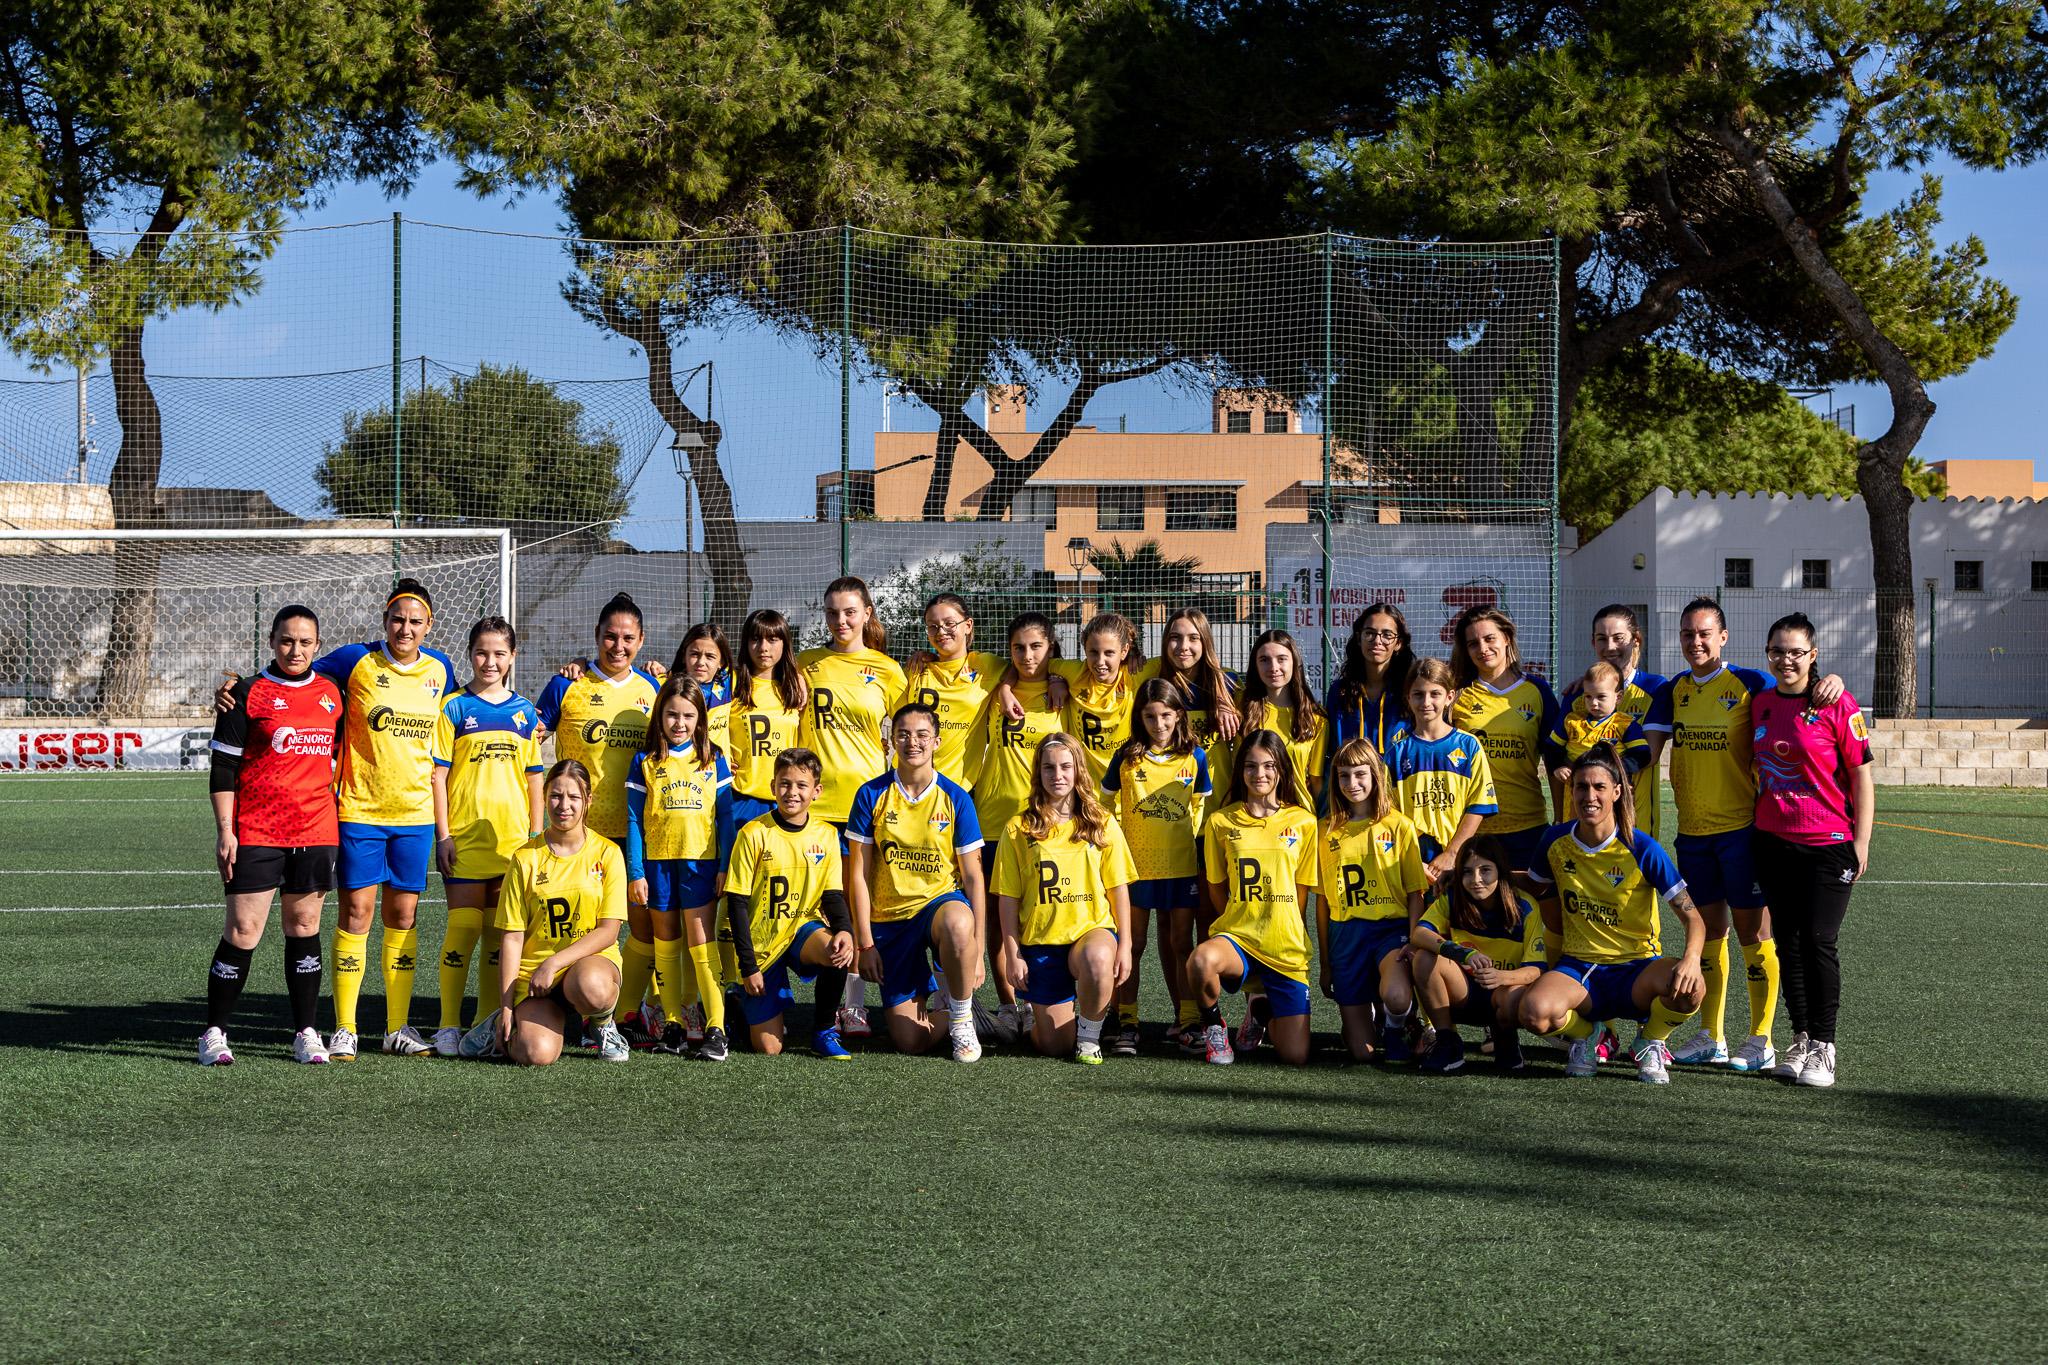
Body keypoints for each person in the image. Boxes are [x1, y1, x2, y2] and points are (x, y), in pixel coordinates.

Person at [215, 578, 460, 1059]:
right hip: (357, 810)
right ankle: (344, 1026)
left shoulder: (442, 670)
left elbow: (466, 704)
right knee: (357, 912)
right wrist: (235, 687)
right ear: (384, 621)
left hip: (416, 814)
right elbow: (291, 672)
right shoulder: (354, 660)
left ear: (429, 626)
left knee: (404, 916)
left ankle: (397, 1027)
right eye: (397, 619)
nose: (405, 629)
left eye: (415, 622)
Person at [199, 605, 344, 1066]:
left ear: (318, 645)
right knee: (243, 931)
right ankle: (214, 1033)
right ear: (272, 642)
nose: (295, 649)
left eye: (305, 642)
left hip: (317, 829)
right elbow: (223, 769)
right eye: (286, 640)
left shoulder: (333, 694)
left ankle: (305, 1031)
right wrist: (226, 832)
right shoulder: (245, 693)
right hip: (257, 830)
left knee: (303, 929)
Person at [1645, 597, 1781, 1073]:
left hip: (1743, 831)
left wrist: (1831, 680)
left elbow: (1796, 692)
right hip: (1694, 833)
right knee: (1709, 936)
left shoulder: (1749, 683)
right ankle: (1712, 1036)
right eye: (1687, 634)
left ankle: (1761, 1038)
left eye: (1704, 633)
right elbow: (1646, 750)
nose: (1695, 641)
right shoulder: (1674, 690)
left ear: (1723, 637)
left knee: (1753, 933)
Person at [1519, 744, 1708, 1084]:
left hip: (1637, 969)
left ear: (1617, 792)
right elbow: (1534, 887)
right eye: (1581, 786)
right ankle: (1587, 1035)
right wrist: (1474, 871)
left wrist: (1692, 959)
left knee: (1691, 988)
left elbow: (1693, 917)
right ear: (1570, 790)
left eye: (1599, 787)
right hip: (1580, 968)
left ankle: (1650, 1041)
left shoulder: (1642, 847)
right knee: (1534, 1012)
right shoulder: (1554, 841)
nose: (1589, 796)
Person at [1750, 612, 1874, 1089]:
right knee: (1788, 943)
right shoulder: (1759, 703)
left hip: (1829, 845)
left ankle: (1825, 1047)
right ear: (1768, 654)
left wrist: (1860, 841)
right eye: (1778, 650)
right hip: (1772, 841)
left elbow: (1862, 775)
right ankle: (1799, 1040)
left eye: (1796, 651)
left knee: (1820, 940)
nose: (1786, 659)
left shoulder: (1838, 703)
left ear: (1813, 655)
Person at [534, 593, 662, 1045]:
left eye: (628, 638)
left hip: (634, 831)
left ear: (642, 641)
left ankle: (620, 1013)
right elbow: (530, 737)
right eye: (610, 636)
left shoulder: (653, 690)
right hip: (575, 835)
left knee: (641, 925)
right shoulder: (567, 684)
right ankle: (577, 1007)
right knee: (578, 926)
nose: (618, 645)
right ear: (596, 637)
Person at [844, 703, 987, 1062]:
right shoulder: (870, 795)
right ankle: (950, 996)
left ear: (937, 741)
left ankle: (961, 1019)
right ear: (891, 741)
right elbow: (858, 876)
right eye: (903, 734)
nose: (913, 742)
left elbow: (973, 877)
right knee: (910, 1041)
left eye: (922, 734)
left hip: (938, 905)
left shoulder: (956, 798)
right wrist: (865, 944)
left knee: (958, 923)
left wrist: (978, 948)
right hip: (890, 921)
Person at [429, 617, 545, 1057]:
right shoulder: (454, 708)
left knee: (500, 941)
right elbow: (438, 778)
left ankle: (485, 1023)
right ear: (470, 655)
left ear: (512, 657)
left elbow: (535, 780)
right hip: (464, 840)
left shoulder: (524, 712)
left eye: (499, 654)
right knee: (461, 931)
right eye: (482, 652)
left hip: (512, 845)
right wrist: (444, 835)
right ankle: (446, 1025)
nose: (490, 661)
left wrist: (534, 836)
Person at [799, 576, 909, 1038]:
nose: (840, 621)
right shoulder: (804, 663)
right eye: (831, 613)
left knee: (865, 903)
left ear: (867, 613)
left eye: (849, 612)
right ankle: (819, 1001)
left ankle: (857, 1003)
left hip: (868, 804)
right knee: (831, 906)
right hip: (816, 807)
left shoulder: (887, 670)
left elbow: (913, 730)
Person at [466, 760, 630, 1066]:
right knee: (535, 1054)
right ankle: (499, 1031)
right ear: (544, 796)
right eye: (556, 796)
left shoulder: (607, 853)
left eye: (573, 797)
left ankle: (603, 1025)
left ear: (588, 800)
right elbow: (512, 938)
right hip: (535, 978)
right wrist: (505, 1007)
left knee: (592, 987)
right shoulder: (525, 857)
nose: (563, 805)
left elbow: (609, 931)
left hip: (587, 968)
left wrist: (554, 963)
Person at [993, 733, 1137, 1064]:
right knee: (1054, 1045)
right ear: (1038, 773)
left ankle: (1089, 1039)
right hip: (1042, 942)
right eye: (1049, 768)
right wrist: (1014, 954)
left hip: (1090, 933)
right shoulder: (1019, 827)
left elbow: (1118, 889)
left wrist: (1125, 945)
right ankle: (1034, 1015)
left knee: (1099, 957)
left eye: (1065, 767)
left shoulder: (1101, 822)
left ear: (1078, 770)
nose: (1057, 775)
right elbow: (1008, 899)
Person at [1187, 732, 1321, 1066]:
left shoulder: (1303, 822)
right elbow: (1216, 886)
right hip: (1239, 938)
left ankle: (1261, 1011)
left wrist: (1284, 925)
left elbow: (1301, 891)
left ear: (1281, 770)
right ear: (1240, 771)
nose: (1259, 774)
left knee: (1295, 1055)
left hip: (1284, 945)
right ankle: (1215, 1027)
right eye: (1250, 766)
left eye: (1268, 766)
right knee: (1201, 960)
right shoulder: (1220, 821)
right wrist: (1239, 917)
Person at [626, 674, 736, 1059]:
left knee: (701, 944)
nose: (679, 723)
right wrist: (636, 872)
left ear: (699, 719)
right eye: (671, 714)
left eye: (688, 715)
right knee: (666, 945)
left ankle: (716, 1028)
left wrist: (724, 864)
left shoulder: (713, 759)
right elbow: (635, 820)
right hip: (657, 865)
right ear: (659, 717)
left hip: (700, 864)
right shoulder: (644, 761)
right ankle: (673, 1024)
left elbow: (725, 818)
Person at [724, 748, 858, 1059]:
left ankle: (824, 1031)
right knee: (770, 1048)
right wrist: (748, 966)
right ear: (773, 787)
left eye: (801, 785)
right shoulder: (754, 833)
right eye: (785, 784)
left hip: (800, 930)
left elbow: (833, 895)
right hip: (762, 942)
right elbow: (738, 904)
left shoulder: (826, 836)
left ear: (816, 791)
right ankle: (737, 1003)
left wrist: (845, 930)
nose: (792, 792)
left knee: (838, 950)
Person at [1102, 678, 1211, 1055]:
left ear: (1179, 714)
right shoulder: (1127, 757)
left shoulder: (1195, 756)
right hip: (1135, 869)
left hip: (1180, 866)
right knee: (1131, 946)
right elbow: (1107, 804)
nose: (1159, 724)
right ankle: (1127, 1022)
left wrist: (1185, 841)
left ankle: (1189, 1020)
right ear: (1140, 718)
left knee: (1182, 943)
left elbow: (1199, 804)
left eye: (1166, 715)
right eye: (1150, 716)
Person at [970, 611, 1065, 1043]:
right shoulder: (994, 688)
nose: (1027, 656)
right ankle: (1010, 1006)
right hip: (993, 821)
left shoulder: (1068, 691)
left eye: (1036, 647)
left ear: (1051, 649)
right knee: (995, 922)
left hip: (1048, 826)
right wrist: (1006, 684)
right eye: (1018, 648)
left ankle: (1043, 1000)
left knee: (1040, 915)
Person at [1316, 737, 1428, 1064]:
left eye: (1360, 774)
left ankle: (1396, 1024)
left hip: (1389, 931)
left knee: (1395, 995)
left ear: (1376, 775)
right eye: (1344, 775)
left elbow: (1414, 893)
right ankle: (1373, 1020)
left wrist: (1414, 942)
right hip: (1345, 935)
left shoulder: (1399, 826)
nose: (1352, 783)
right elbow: (1322, 904)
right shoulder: (1325, 831)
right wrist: (1325, 963)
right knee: (1361, 1053)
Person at [1407, 836, 1546, 1073]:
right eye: (1468, 872)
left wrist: (1501, 977)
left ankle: (1506, 1041)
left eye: (1485, 870)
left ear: (1500, 871)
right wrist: (1463, 954)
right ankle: (1448, 1043)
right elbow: (1419, 934)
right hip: (1463, 992)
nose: (1476, 880)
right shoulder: (1452, 898)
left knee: (1513, 995)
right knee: (1423, 958)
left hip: (1501, 997)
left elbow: (1536, 969)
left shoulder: (1525, 907)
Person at [1450, 605, 1561, 874]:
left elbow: (1556, 759)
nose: (1482, 648)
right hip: (1472, 828)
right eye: (1473, 643)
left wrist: (1560, 819)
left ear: (1506, 638)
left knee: (1529, 911)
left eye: (1490, 639)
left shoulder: (1537, 690)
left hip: (1527, 824)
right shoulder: (1457, 694)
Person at [1384, 658, 1498, 898]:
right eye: (1418, 694)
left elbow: (1478, 807)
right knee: (1417, 930)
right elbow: (1388, 814)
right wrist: (1414, 859)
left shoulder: (1468, 745)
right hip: (1412, 860)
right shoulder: (1397, 751)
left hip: (1458, 860)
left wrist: (1452, 854)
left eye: (1435, 694)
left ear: (1450, 697)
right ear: (1408, 697)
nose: (1426, 702)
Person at [902, 592, 1005, 787]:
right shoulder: (916, 669)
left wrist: (1006, 688)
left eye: (949, 623)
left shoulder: (987, 666)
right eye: (933, 627)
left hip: (959, 788)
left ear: (968, 625)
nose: (941, 631)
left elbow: (1024, 671)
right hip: (910, 784)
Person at [727, 608, 808, 831]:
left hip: (786, 799)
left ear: (784, 643)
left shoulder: (795, 687)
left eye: (772, 639)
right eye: (755, 639)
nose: (763, 647)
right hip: (742, 798)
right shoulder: (731, 684)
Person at [1137, 607, 1242, 775]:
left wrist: (1226, 704)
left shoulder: (1228, 682)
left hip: (1217, 796)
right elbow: (1115, 661)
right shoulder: (1151, 674)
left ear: (1205, 642)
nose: (1183, 646)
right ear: (1165, 642)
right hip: (1167, 793)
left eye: (1193, 638)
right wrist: (1132, 655)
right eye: (1175, 638)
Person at [1238, 628, 1328, 809]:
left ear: (1294, 662)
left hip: (1297, 820)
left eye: (1281, 659)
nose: (1273, 667)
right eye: (1264, 660)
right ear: (1255, 665)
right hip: (1249, 815)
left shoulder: (1316, 719)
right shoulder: (1240, 706)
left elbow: (1316, 781)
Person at [1546, 660, 1649, 815]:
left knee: (1610, 835)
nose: (1593, 703)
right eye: (1588, 696)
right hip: (1576, 793)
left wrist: (1615, 769)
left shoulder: (1625, 724)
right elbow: (1551, 748)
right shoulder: (1571, 721)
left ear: (1618, 697)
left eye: (1601, 697)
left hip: (1611, 796)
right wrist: (1557, 767)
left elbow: (1642, 754)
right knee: (1576, 832)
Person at [1054, 612, 1142, 789]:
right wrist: (1054, 679)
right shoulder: (1074, 673)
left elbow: (1179, 664)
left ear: (1124, 651)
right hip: (1085, 793)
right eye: (1093, 652)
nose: (1100, 661)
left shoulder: (1137, 674)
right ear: (1084, 648)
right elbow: (1035, 665)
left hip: (1127, 792)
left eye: (1109, 653)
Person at [1325, 604, 1417, 758]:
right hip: (1352, 780)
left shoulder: (1410, 691)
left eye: (1387, 635)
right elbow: (1331, 749)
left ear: (1399, 643)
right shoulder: (1340, 691)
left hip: (1398, 780)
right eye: (1370, 633)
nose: (1377, 641)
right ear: (1359, 638)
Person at [674, 621, 736, 761]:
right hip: (682, 774)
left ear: (721, 662)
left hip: (718, 775)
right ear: (684, 656)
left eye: (710, 656)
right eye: (695, 654)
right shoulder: (668, 686)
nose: (701, 662)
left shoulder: (730, 683)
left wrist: (797, 678)